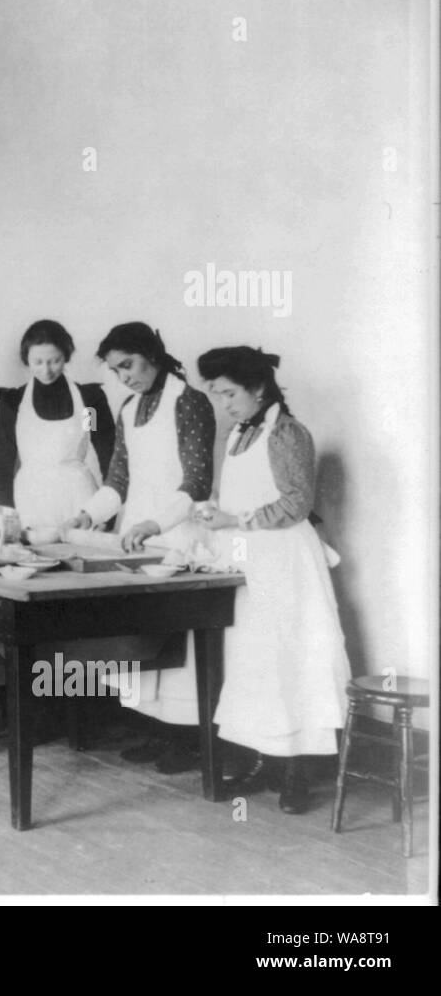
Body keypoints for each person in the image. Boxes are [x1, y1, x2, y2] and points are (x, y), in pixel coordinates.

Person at [193, 347, 351, 814]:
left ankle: (297, 772)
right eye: (217, 395)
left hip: (285, 563)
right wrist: (216, 514)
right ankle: (266, 759)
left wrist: (235, 518)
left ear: (258, 387)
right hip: (252, 562)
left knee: (290, 661)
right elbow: (242, 495)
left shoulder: (287, 432)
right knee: (255, 662)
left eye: (229, 393)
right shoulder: (240, 434)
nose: (224, 404)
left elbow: (296, 504)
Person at [63, 322, 215, 773]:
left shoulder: (189, 401)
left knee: (179, 635)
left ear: (152, 354)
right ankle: (158, 730)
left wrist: (156, 523)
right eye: (116, 370)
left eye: (127, 364)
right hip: (138, 533)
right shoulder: (129, 408)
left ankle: (189, 739)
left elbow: (197, 481)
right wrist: (89, 513)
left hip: (177, 529)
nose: (124, 376)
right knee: (146, 633)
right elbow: (119, 479)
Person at [0, 319, 115, 528]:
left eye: (55, 361)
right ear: (26, 359)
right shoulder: (14, 403)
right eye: (38, 362)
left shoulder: (88, 401)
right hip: (30, 501)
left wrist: (106, 515)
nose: (46, 370)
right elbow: (3, 464)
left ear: (66, 356)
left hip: (80, 500)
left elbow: (107, 454)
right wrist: (7, 517)